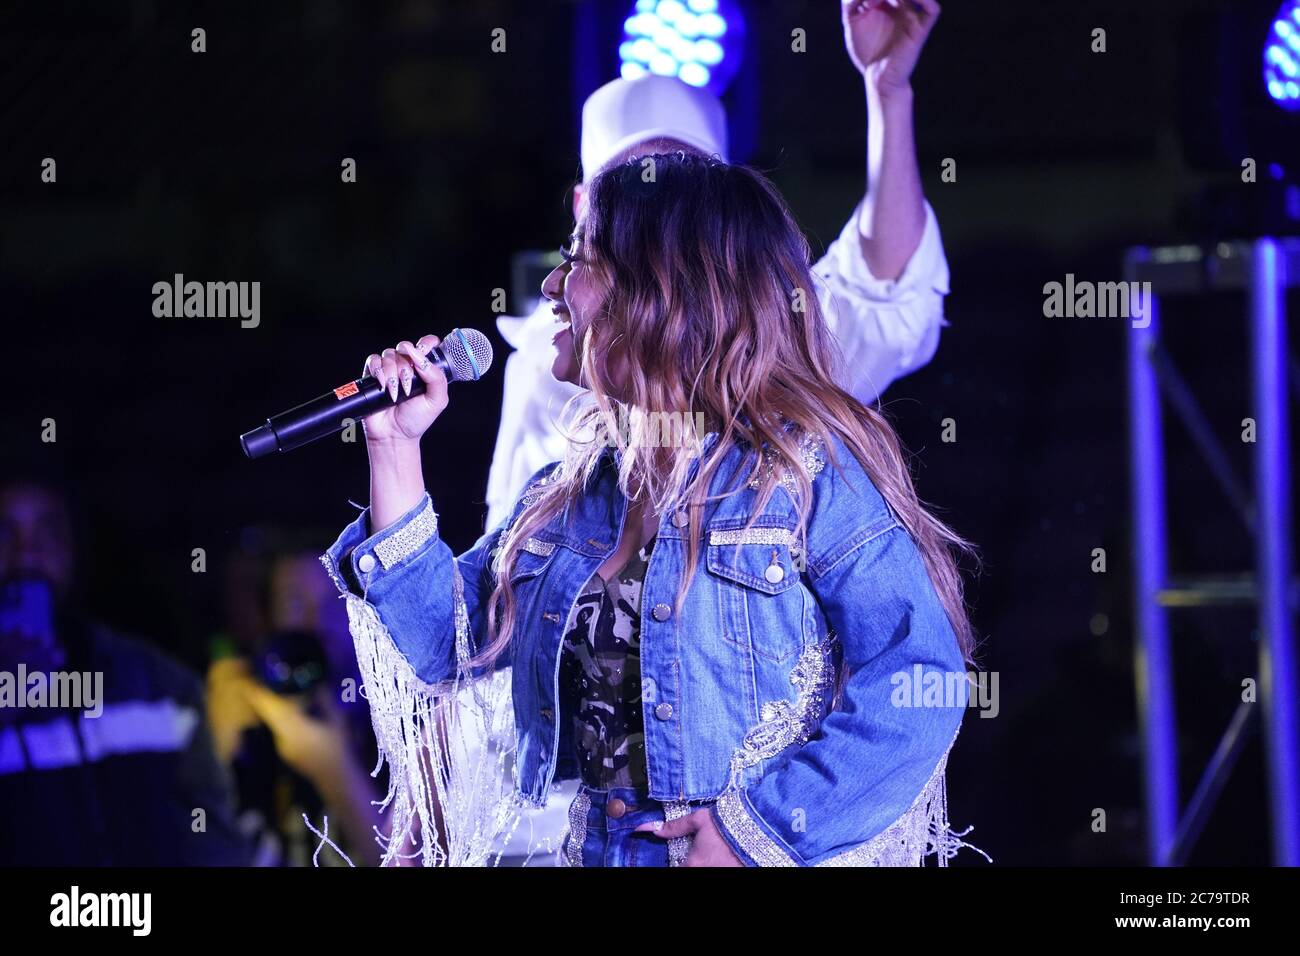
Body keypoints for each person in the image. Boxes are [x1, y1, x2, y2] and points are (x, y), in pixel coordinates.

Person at [322, 149, 983, 867]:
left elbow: (921, 676)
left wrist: (759, 832)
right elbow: (446, 643)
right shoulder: (568, 498)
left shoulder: (802, 472)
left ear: (663, 288)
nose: (551, 285)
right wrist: (393, 446)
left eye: (578, 260)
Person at [487, 0, 951, 528]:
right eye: (629, 182)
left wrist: (887, 93)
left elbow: (881, 287)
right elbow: (509, 563)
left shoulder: (765, 333)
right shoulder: (548, 359)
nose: (651, 205)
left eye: (676, 182)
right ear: (581, 210)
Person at [0, 479, 251, 866]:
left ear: (72, 547)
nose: (27, 554)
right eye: (4, 532)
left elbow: (215, 847)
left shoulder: (158, 685)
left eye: (48, 531)